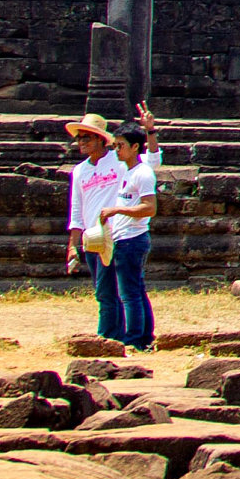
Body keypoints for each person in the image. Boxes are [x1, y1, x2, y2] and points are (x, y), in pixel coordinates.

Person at [60, 112, 125, 345]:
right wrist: (72, 247)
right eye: (79, 138)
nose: (82, 142)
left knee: (107, 289)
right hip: (92, 238)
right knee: (104, 288)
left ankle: (108, 336)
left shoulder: (118, 162)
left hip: (115, 234)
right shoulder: (79, 171)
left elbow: (148, 165)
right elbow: (76, 212)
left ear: (100, 139)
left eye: (87, 137)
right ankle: (115, 334)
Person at [103, 106, 161, 351]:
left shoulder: (142, 174)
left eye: (120, 146)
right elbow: (154, 155)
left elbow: (150, 208)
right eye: (115, 146)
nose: (116, 150)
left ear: (134, 147)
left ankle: (135, 338)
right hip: (125, 237)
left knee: (129, 293)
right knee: (136, 289)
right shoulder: (130, 170)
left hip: (132, 238)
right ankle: (145, 336)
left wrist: (117, 211)